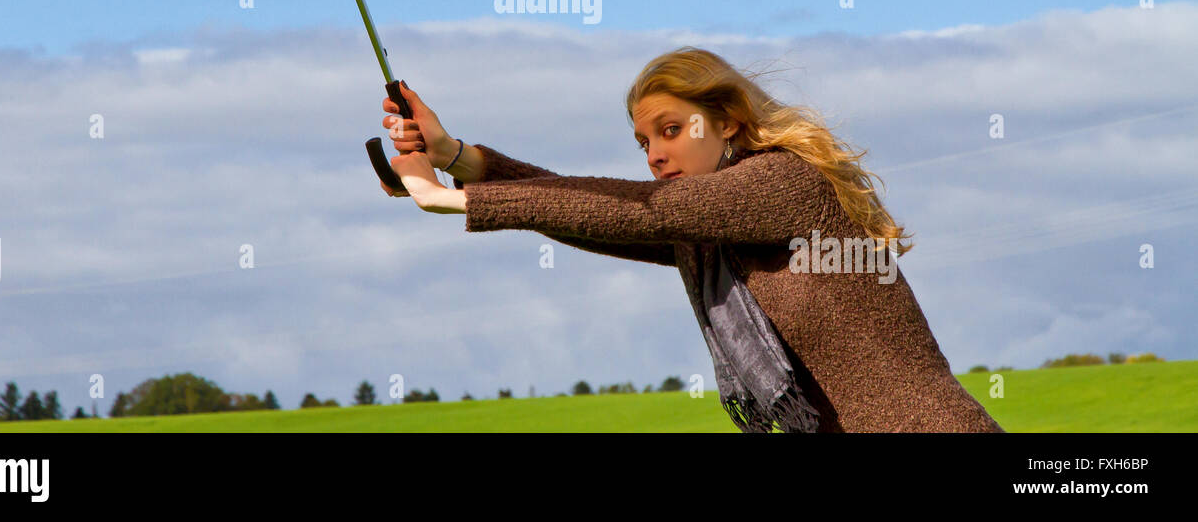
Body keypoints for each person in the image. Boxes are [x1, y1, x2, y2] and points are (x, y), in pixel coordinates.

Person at [379, 46, 1003, 433]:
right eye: (644, 142)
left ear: (726, 119)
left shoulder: (782, 180)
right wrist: (456, 156)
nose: (654, 154)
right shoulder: (709, 236)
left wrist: (442, 197)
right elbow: (592, 208)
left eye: (671, 130)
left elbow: (647, 213)